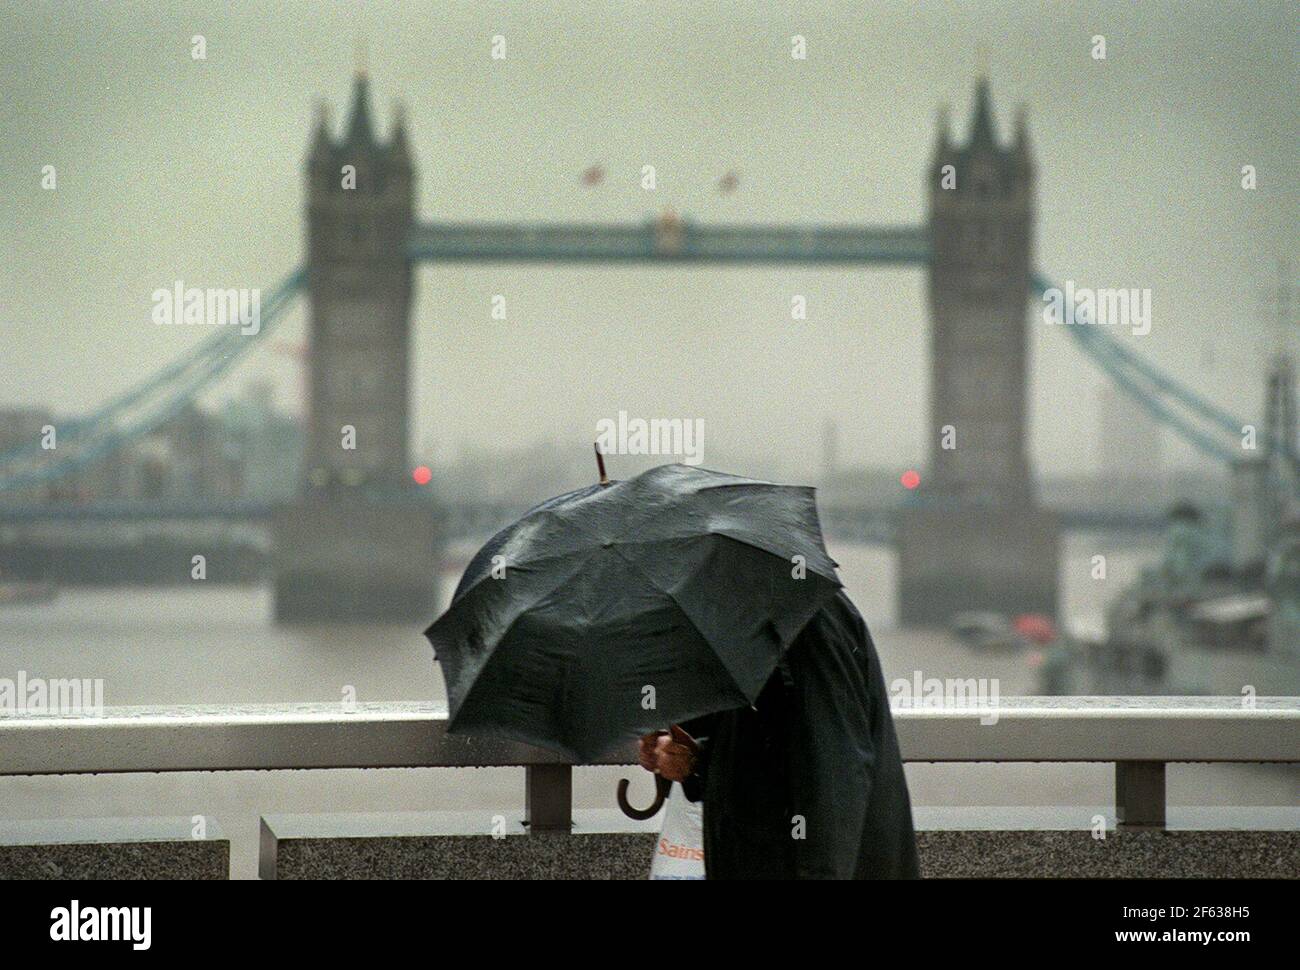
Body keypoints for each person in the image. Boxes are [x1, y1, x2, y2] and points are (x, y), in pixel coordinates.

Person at [638, 589, 919, 879]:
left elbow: (835, 777)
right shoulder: (764, 622)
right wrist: (696, 762)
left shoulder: (807, 622)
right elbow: (767, 751)